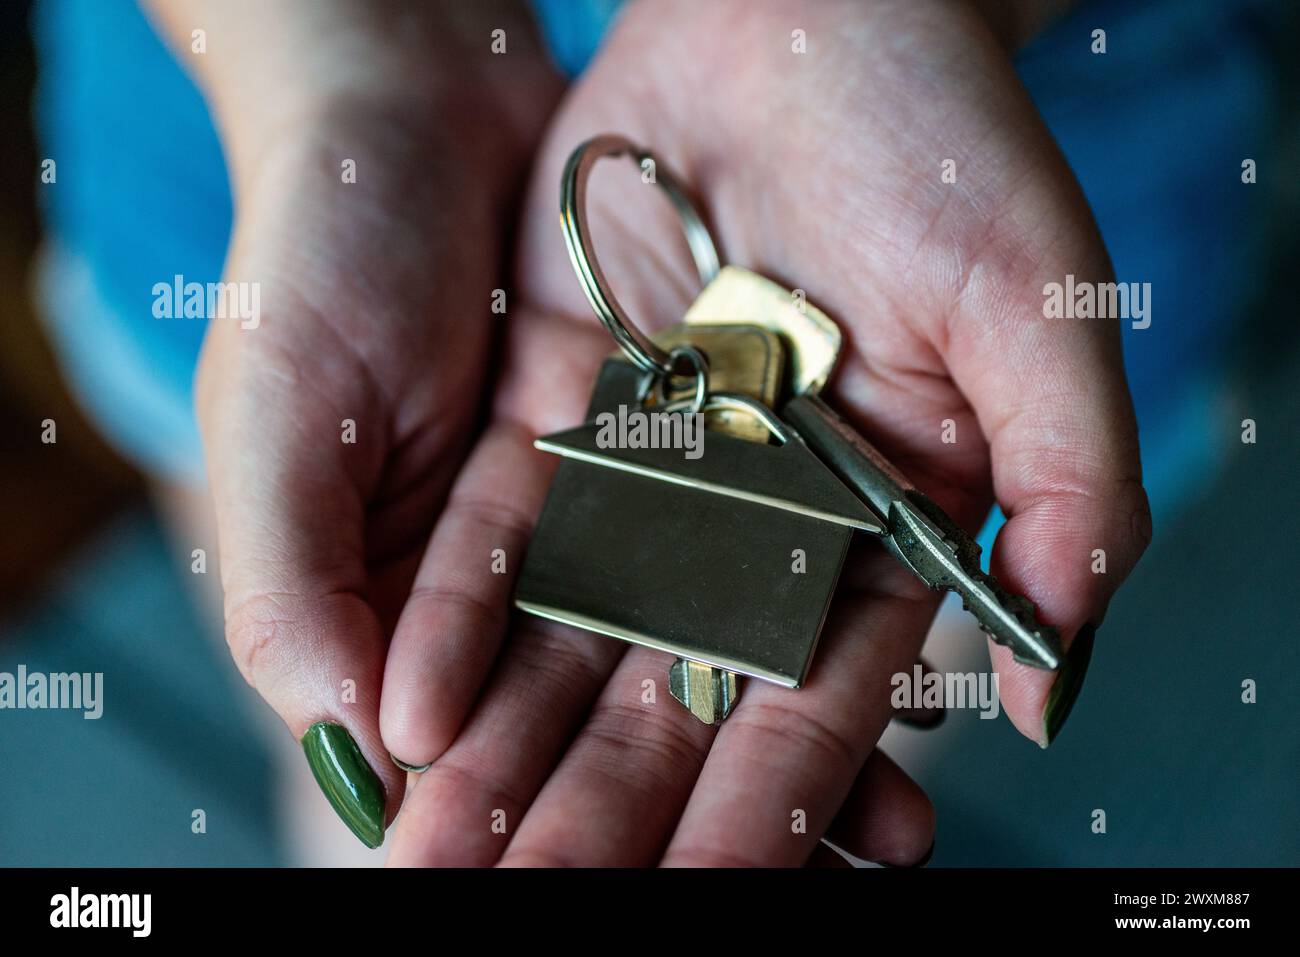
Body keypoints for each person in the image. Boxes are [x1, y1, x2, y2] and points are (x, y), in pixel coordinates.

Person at [38, 0, 1157, 864]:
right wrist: (339, 60)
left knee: (845, 711)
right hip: (244, 82)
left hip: (1006, 142)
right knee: (386, 695)